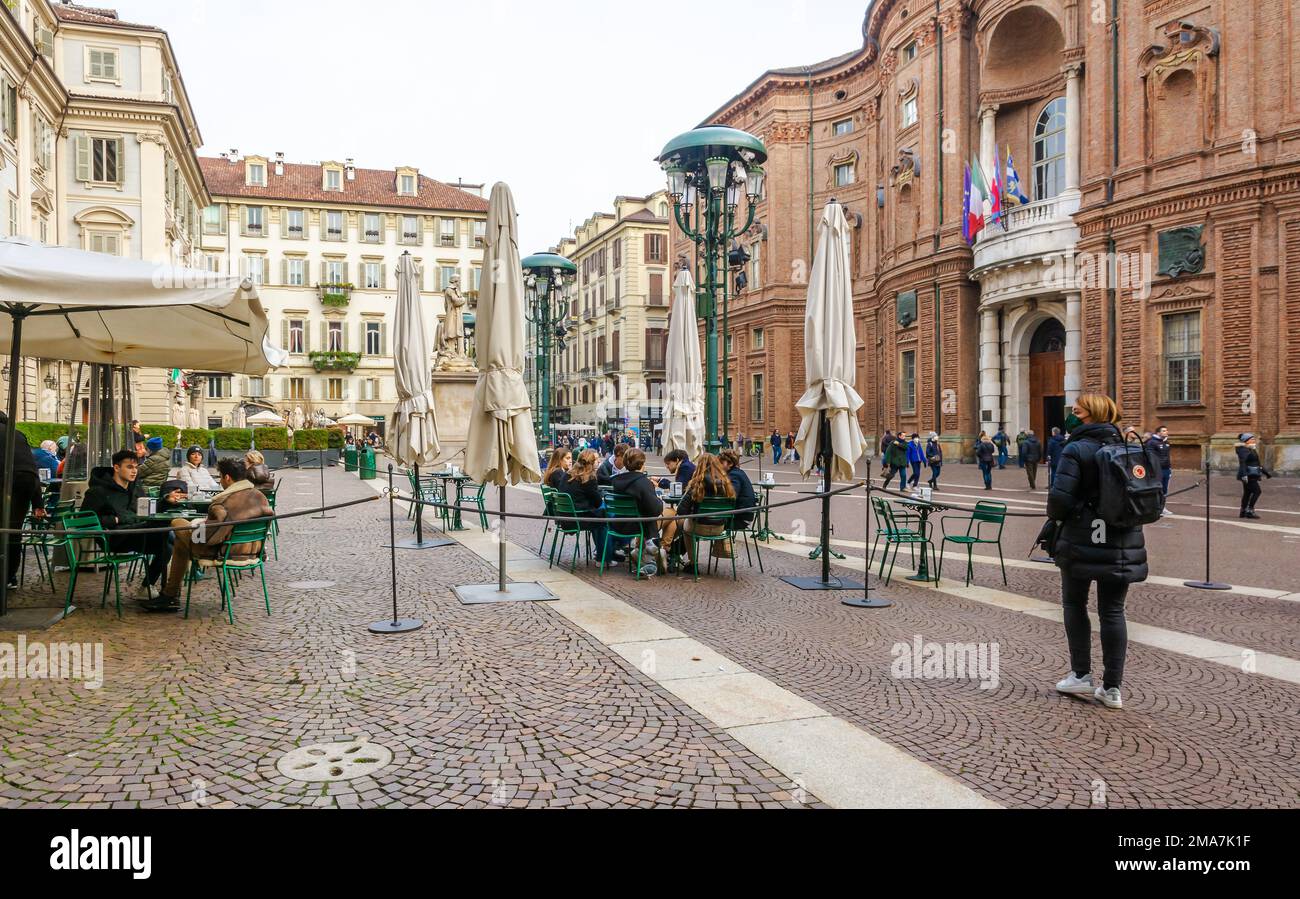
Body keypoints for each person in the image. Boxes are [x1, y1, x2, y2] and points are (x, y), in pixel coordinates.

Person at [1048, 394, 1147, 711]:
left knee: (1074, 604)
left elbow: (1060, 500)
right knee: (1114, 611)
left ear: (1090, 415)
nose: (1071, 417)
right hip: (1122, 539)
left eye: (1075, 411)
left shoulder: (1075, 448)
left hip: (1081, 538)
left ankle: (1080, 674)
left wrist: (1063, 515)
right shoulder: (1128, 448)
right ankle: (1112, 688)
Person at [147, 458, 274, 612]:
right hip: (252, 551)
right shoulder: (260, 496)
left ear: (227, 478)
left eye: (220, 477)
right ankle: (170, 594)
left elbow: (209, 538)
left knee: (177, 523)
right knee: (182, 541)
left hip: (224, 552)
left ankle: (170, 595)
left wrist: (196, 526)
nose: (220, 481)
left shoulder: (224, 502)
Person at [80, 449, 170, 597]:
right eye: (129, 467)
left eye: (136, 467)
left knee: (167, 543)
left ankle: (149, 586)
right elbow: (82, 521)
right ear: (116, 468)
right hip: (113, 537)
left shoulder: (135, 488)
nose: (134, 471)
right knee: (165, 534)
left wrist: (166, 501)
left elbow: (146, 509)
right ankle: (160, 591)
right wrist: (115, 520)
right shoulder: (98, 491)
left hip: (136, 532)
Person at [663, 453, 736, 568]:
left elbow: (681, 510)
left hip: (699, 526)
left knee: (679, 522)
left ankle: (689, 561)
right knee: (683, 523)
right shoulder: (726, 484)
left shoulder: (697, 484)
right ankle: (670, 550)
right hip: (720, 527)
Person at [0, 413, 45, 588]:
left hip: (6, 480)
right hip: (28, 482)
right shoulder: (17, 434)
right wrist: (38, 504)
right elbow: (31, 468)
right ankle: (10, 576)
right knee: (13, 530)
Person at [610, 448, 665, 575]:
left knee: (645, 513)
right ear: (642, 464)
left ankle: (643, 553)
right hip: (637, 525)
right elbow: (655, 509)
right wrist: (659, 499)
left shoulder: (616, 481)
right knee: (652, 516)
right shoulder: (643, 482)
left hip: (618, 523)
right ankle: (650, 555)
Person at [560, 449, 619, 564]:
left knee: (602, 516)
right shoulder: (588, 478)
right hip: (579, 518)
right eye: (596, 460)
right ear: (591, 463)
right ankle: (604, 558)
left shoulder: (567, 475)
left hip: (565, 517)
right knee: (606, 519)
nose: (599, 462)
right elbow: (597, 502)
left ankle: (608, 550)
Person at [1236, 433, 1272, 519]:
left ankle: (1243, 511)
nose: (1253, 440)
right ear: (1246, 441)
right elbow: (1243, 462)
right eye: (1251, 439)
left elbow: (1256, 463)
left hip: (1252, 474)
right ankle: (1249, 510)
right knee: (1257, 491)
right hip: (1248, 474)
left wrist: (1265, 473)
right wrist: (1244, 475)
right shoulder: (1243, 449)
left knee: (1247, 493)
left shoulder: (1251, 449)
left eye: (1253, 439)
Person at [719, 449, 757, 530]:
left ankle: (722, 542)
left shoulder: (734, 475)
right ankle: (721, 542)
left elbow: (731, 496)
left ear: (730, 464)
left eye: (722, 463)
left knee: (710, 522)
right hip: (742, 514)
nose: (719, 466)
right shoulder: (737, 472)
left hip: (740, 518)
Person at [1145, 426, 1173, 516]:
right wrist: (1153, 469)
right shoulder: (1151, 443)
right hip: (1157, 470)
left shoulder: (1167, 442)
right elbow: (1149, 457)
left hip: (1166, 469)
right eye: (1164, 431)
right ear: (1158, 433)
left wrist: (1169, 468)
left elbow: (1167, 456)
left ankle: (1162, 508)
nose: (1166, 432)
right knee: (1157, 489)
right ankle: (1155, 508)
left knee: (1165, 489)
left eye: (1166, 430)